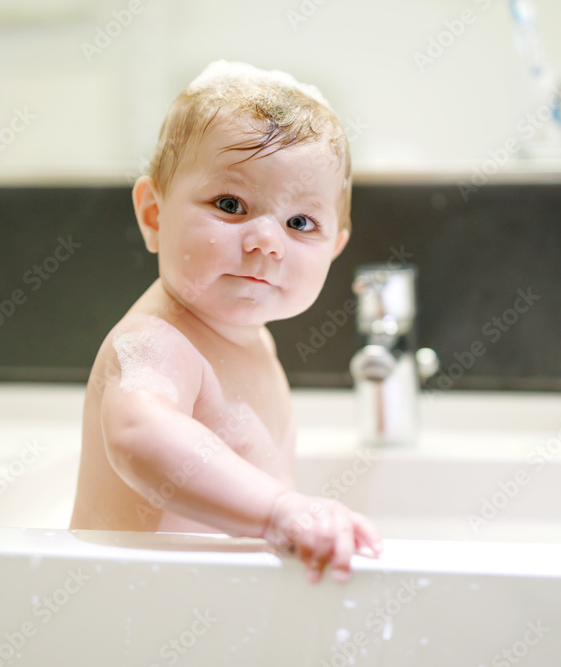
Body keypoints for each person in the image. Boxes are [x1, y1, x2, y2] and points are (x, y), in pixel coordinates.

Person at [70, 61, 383, 584]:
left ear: (334, 248)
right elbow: (139, 434)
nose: (267, 240)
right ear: (154, 214)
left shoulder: (249, 340)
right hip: (126, 614)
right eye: (231, 204)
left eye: (300, 222)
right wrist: (280, 511)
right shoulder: (157, 340)